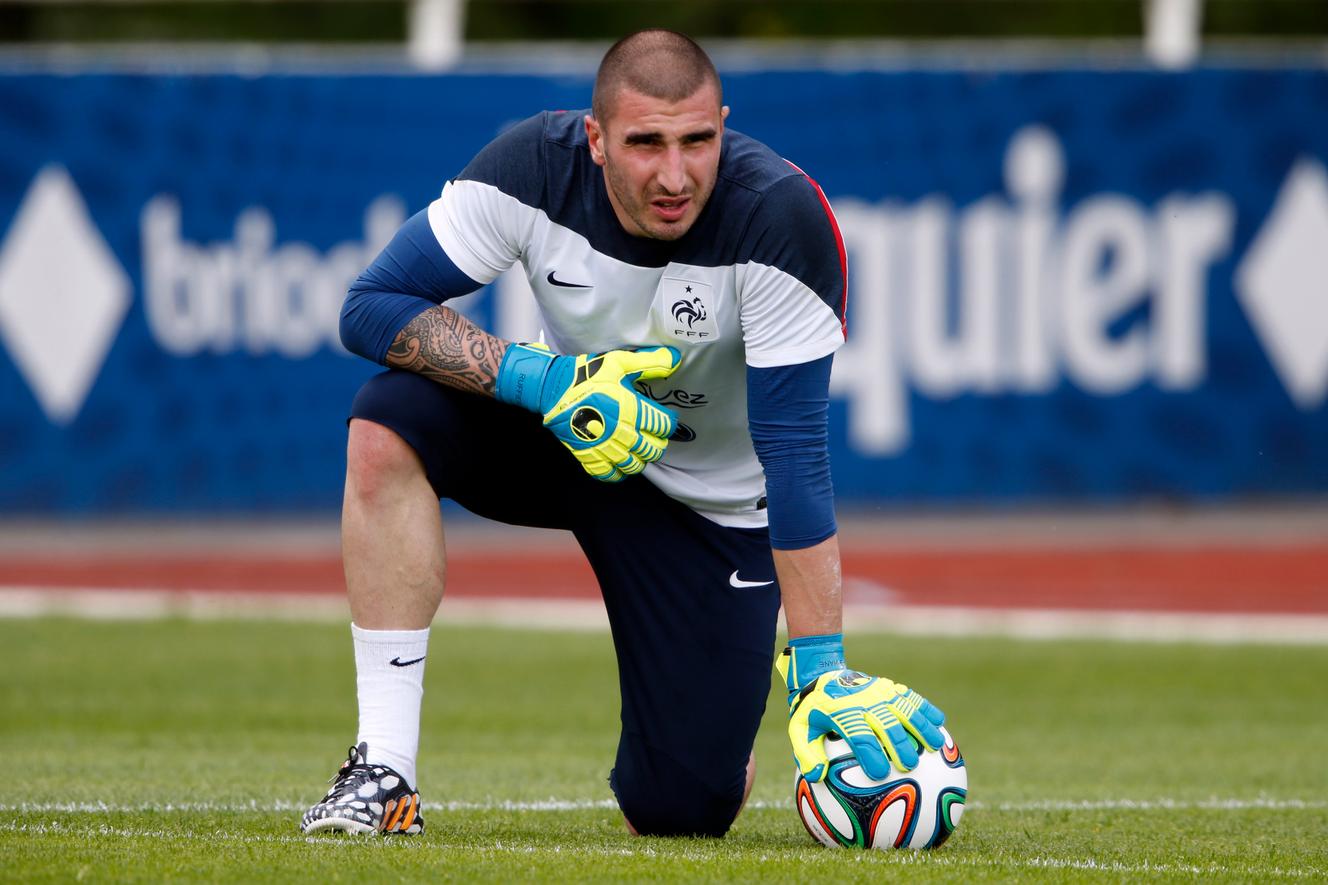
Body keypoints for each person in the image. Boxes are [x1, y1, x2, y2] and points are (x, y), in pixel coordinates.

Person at [301, 28, 946, 839]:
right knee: (387, 420)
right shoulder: (533, 166)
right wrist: (547, 381)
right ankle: (382, 772)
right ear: (596, 139)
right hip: (573, 427)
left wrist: (821, 671)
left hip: (710, 512)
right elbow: (369, 305)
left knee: (680, 809)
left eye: (698, 141)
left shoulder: (781, 218)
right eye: (646, 144)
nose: (675, 176)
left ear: (724, 125)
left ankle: (715, 732)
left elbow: (794, 454)